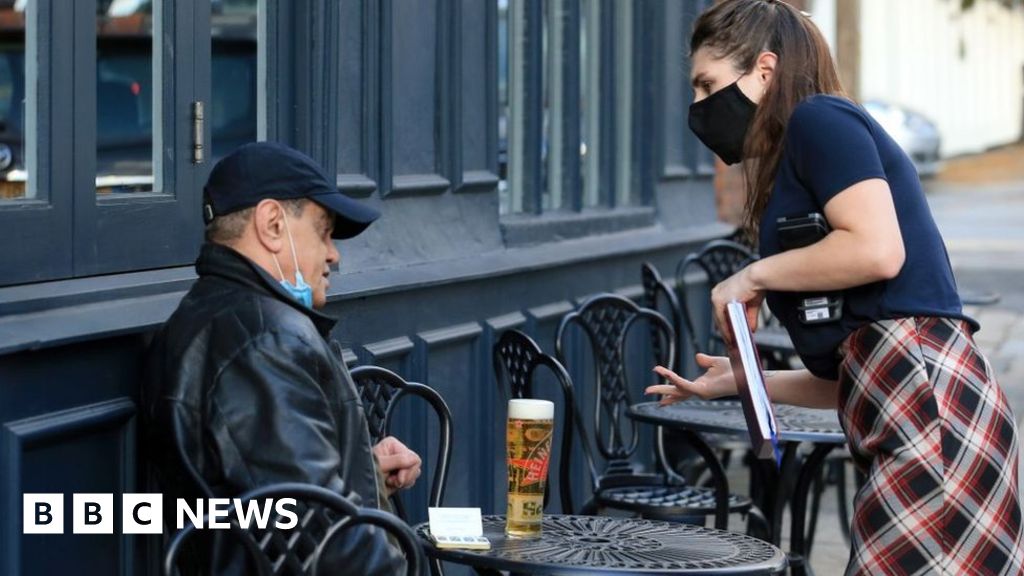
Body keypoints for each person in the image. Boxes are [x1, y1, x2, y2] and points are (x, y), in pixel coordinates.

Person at [646, 1, 1023, 574]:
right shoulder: (801, 152)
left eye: (707, 84)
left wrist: (753, 275)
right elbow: (851, 376)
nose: (698, 107)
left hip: (930, 414)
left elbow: (876, 248)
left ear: (764, 72)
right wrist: (742, 382)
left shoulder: (818, 118)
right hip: (911, 409)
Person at [143, 141, 421, 575]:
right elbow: (326, 543)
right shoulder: (266, 339)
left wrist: (363, 468)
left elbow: (265, 494)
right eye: (324, 231)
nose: (334, 254)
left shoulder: (217, 314)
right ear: (273, 224)